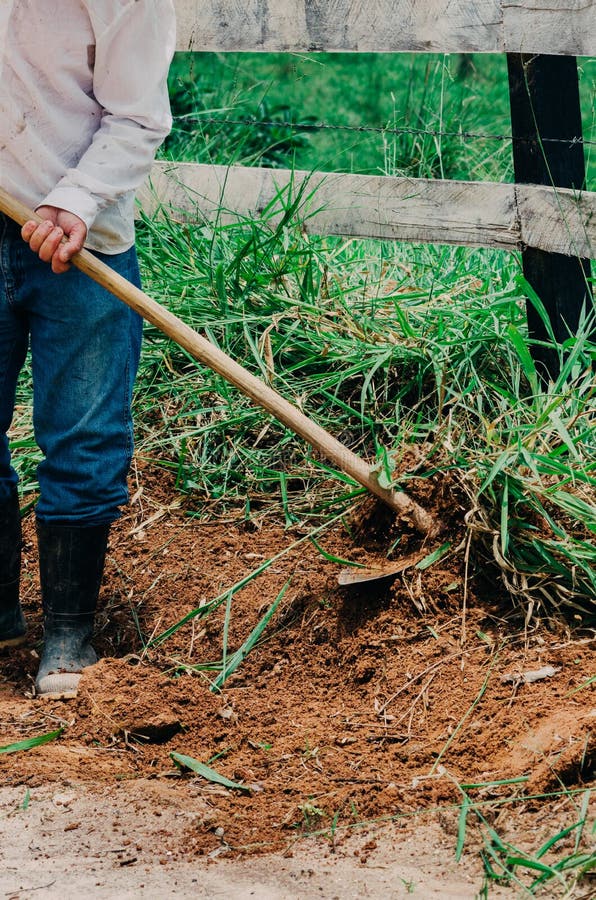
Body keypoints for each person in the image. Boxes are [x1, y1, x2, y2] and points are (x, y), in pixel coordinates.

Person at [0, 1, 176, 698]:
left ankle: (69, 633)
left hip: (78, 240)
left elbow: (137, 116)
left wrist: (75, 200)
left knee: (83, 437)